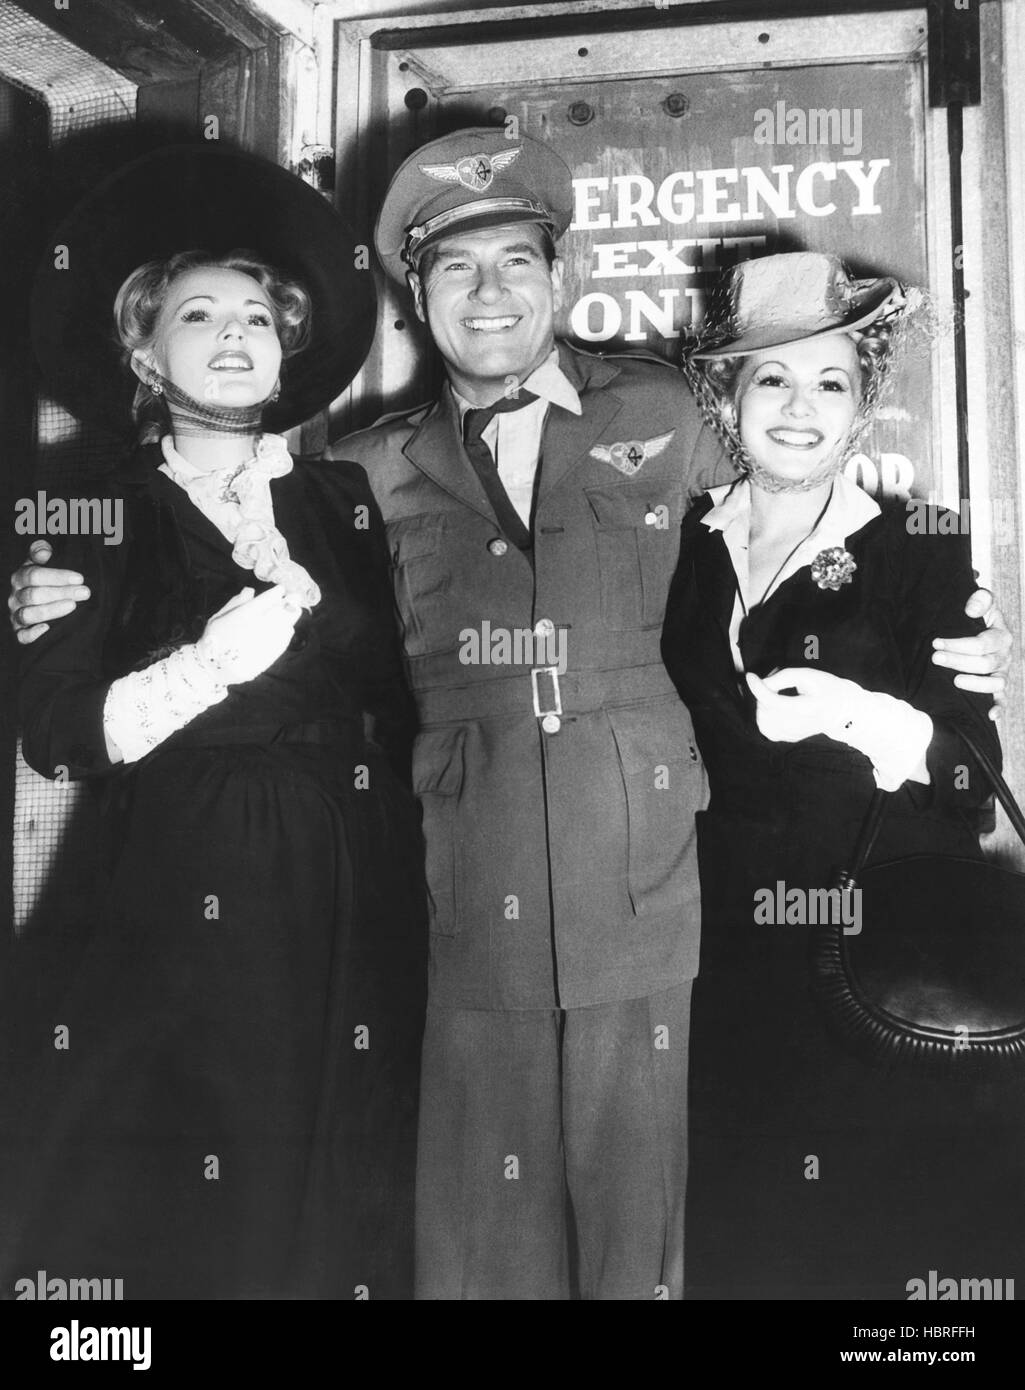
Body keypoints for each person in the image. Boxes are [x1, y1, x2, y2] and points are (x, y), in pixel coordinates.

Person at [8, 132, 1012, 1301]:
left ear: (561, 276)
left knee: (649, 1225)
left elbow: (788, 472)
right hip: (454, 872)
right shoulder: (359, 470)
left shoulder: (660, 404)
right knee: (479, 1230)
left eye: (515, 261)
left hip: (646, 868)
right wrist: (58, 592)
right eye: (453, 269)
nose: (489, 294)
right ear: (416, 300)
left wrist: (934, 607)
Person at [1, 148, 425, 1300]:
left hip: (356, 857)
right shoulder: (89, 503)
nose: (234, 333)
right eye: (198, 312)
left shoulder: (339, 497)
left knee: (348, 1155)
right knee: (204, 1171)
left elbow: (395, 688)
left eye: (256, 313)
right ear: (143, 348)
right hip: (191, 861)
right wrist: (203, 666)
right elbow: (59, 735)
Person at [662, 250, 1018, 1298]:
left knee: (884, 1244)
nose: (799, 406)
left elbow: (969, 783)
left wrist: (866, 717)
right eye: (769, 378)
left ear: (864, 404)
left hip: (879, 946)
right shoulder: (677, 543)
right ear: (724, 398)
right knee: (744, 1230)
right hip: (715, 948)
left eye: (830, 381)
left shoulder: (919, 542)